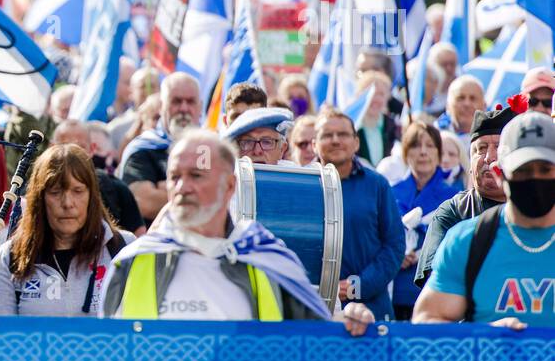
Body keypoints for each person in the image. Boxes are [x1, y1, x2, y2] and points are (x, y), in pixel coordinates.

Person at [99, 130, 373, 333]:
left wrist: (350, 320)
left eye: (196, 175)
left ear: (229, 186)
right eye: (175, 177)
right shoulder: (133, 260)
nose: (183, 187)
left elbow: (318, 338)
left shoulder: (268, 259)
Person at [414, 111, 555, 329]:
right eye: (522, 170)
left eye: (545, 169)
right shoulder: (467, 241)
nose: (535, 179)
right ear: (500, 174)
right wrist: (485, 336)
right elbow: (426, 323)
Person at [0, 144, 129, 316]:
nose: (67, 203)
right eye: (56, 192)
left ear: (92, 196)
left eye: (78, 191)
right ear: (39, 199)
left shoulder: (122, 249)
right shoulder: (11, 257)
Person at [315, 106, 403, 320]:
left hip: (372, 309)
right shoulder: (301, 186)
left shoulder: (377, 185)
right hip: (314, 308)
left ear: (356, 142)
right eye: (327, 135)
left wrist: (358, 285)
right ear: (314, 144)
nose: (335, 140)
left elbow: (394, 245)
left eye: (343, 134)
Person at [414, 102, 516, 287]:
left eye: (499, 148)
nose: (489, 158)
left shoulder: (538, 209)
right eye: (481, 148)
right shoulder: (453, 212)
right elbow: (436, 280)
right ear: (469, 162)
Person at [390, 122, 458, 320]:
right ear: (405, 153)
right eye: (415, 145)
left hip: (435, 291)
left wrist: (427, 255)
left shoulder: (454, 197)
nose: (423, 152)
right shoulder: (389, 192)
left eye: (429, 146)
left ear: (438, 153)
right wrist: (396, 256)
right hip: (396, 289)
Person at [119, 72, 201, 223]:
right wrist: (203, 193)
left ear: (200, 106)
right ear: (161, 106)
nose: (184, 108)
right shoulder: (142, 149)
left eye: (190, 102)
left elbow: (228, 195)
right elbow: (145, 203)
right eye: (176, 101)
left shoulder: (211, 149)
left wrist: (165, 188)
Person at [51, 120, 144, 233]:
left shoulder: (117, 189)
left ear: (92, 149)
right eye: (64, 147)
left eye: (80, 147)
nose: (71, 155)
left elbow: (138, 236)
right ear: (51, 148)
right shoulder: (40, 188)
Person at [354, 70, 399, 165]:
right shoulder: (352, 127)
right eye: (372, 93)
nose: (376, 99)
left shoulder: (393, 127)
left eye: (381, 94)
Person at [222, 107, 292, 166]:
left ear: (282, 149)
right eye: (248, 142)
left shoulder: (296, 179)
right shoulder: (225, 180)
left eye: (266, 142)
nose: (257, 151)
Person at [440, 75, 484, 142]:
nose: (467, 104)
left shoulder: (495, 140)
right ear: (448, 105)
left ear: (484, 106)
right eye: (460, 98)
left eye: (473, 98)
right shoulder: (434, 138)